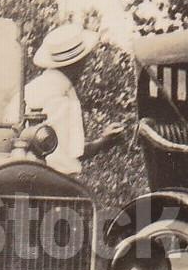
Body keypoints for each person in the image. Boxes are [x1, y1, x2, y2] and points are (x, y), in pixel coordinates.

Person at [8, 24, 125, 175]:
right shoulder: (64, 98)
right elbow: (67, 161)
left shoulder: (28, 91)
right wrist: (104, 142)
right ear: (80, 62)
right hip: (50, 186)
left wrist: (102, 141)